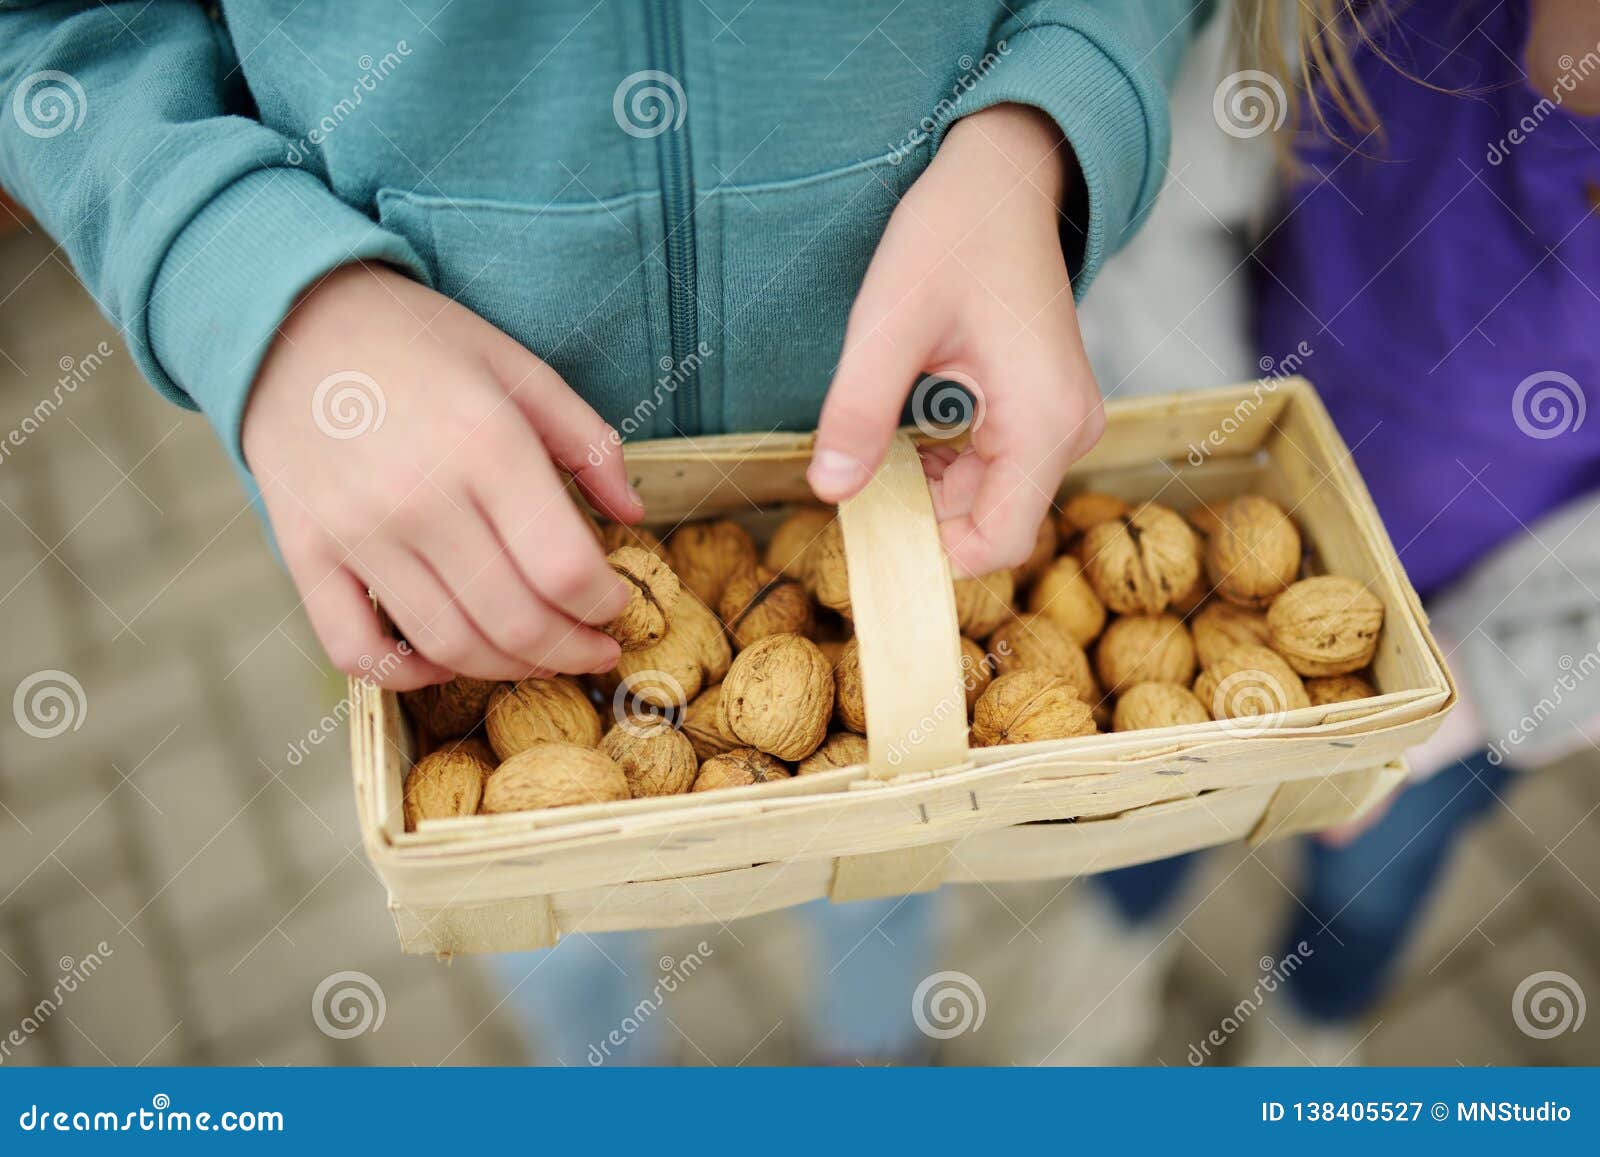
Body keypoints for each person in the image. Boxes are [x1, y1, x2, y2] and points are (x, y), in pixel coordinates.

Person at [0, 1, 1210, 1064]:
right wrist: (247, 270)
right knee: (532, 904)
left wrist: (1047, 118)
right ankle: (602, 1069)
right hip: (431, 518)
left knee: (881, 850)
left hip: (897, 488)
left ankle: (871, 1047)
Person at [1082, 0, 1600, 1065]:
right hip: (1222, 547)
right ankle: (1092, 983)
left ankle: (1306, 1040)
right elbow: (1174, 212)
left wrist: (1493, 682)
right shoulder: (1364, 16)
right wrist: (1196, 458)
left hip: (1465, 662)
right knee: (1147, 813)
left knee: (1370, 882)